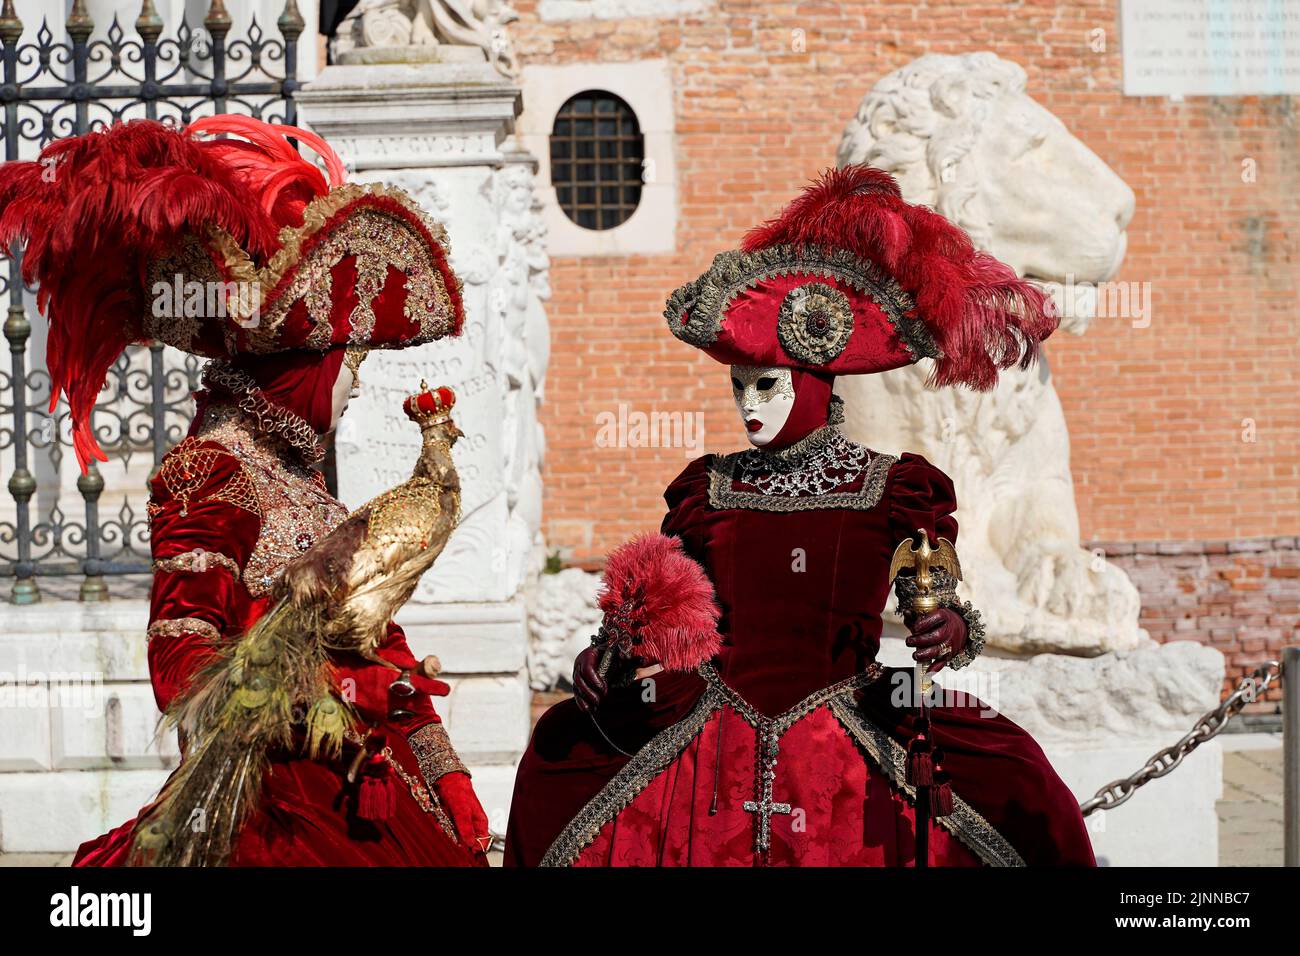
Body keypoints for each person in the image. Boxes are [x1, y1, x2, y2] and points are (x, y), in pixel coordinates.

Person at [505, 166, 1095, 867]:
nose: (749, 404)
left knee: (1016, 781)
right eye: (739, 387)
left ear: (815, 385)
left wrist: (953, 629)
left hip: (851, 719)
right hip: (705, 728)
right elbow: (665, 615)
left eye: (767, 385)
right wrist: (605, 655)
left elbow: (944, 612)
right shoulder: (707, 489)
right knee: (559, 752)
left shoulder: (894, 488)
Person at [0, 115, 489, 865]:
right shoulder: (210, 472)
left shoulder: (309, 488)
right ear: (299, 373)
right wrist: (306, 713)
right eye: (349, 374)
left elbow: (378, 639)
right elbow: (181, 656)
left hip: (373, 783)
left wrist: (444, 767)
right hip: (284, 799)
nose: (354, 397)